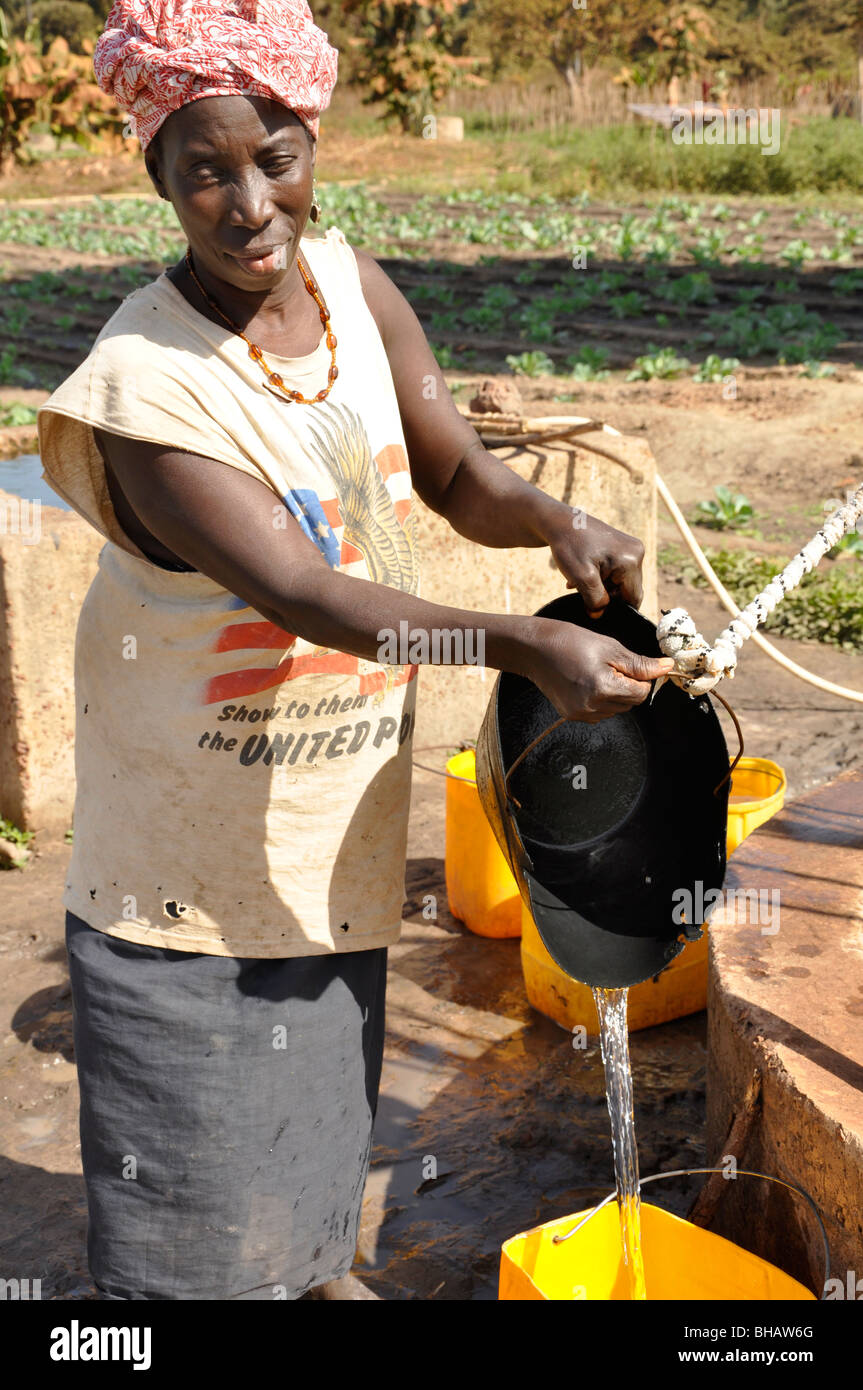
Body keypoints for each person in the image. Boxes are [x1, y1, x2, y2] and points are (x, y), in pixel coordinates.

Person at [37, 0, 673, 1301]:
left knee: (316, 1108)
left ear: (312, 139)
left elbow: (455, 470)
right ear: (156, 174)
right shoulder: (146, 389)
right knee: (188, 1196)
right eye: (204, 170)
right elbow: (302, 591)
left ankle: (313, 1265)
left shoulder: (351, 288)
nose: (249, 202)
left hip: (324, 816)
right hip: (186, 857)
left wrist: (549, 516)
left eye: (274, 156)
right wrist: (523, 639)